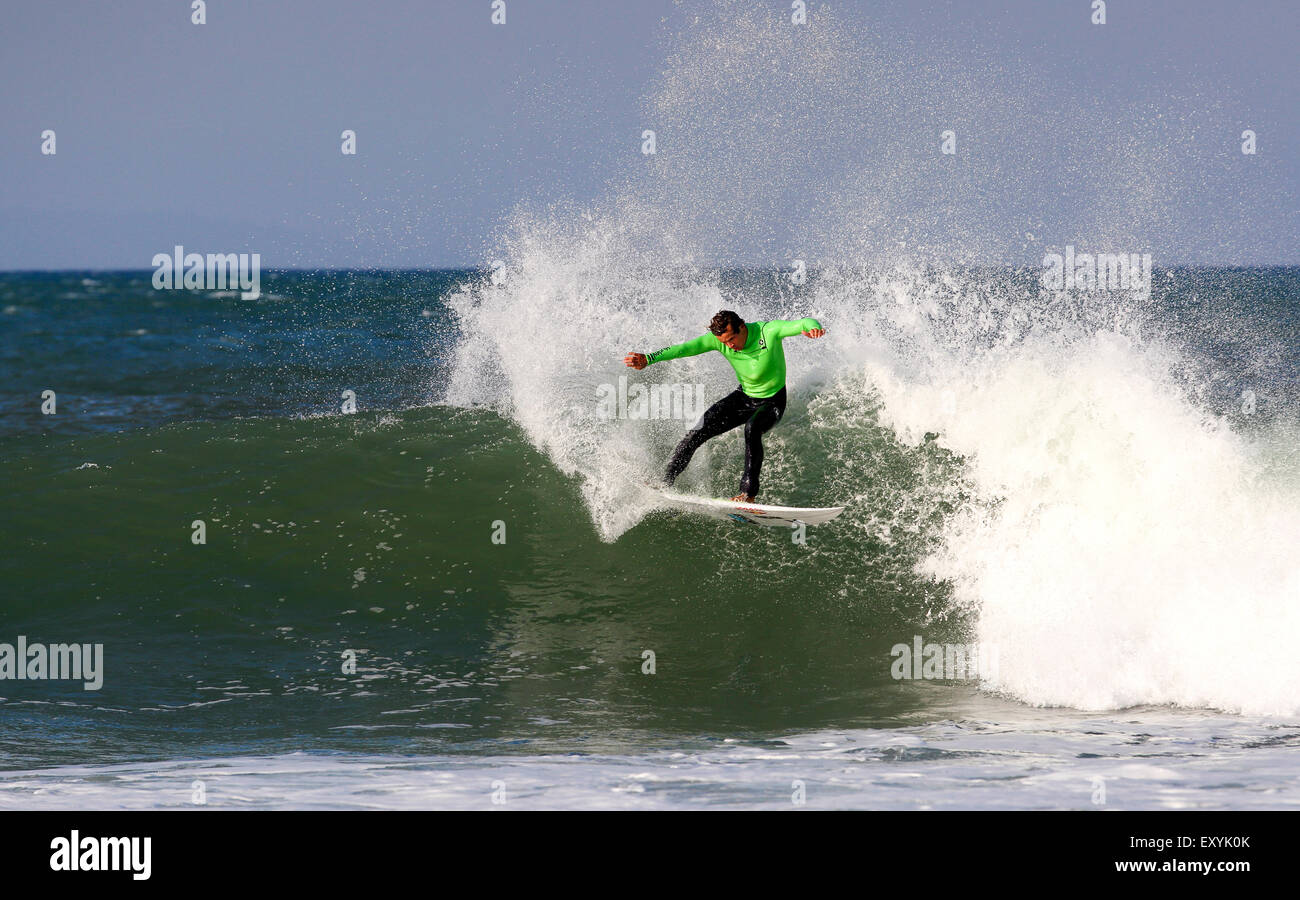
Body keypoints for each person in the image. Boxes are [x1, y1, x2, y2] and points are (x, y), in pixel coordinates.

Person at [624, 309, 825, 502]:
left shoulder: (768, 331)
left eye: (731, 339)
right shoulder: (720, 340)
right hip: (743, 396)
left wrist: (813, 327)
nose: (729, 346)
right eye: (724, 342)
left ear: (742, 327)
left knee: (752, 428)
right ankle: (664, 481)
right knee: (698, 429)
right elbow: (684, 349)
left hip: (772, 402)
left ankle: (748, 494)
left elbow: (802, 323)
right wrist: (649, 359)